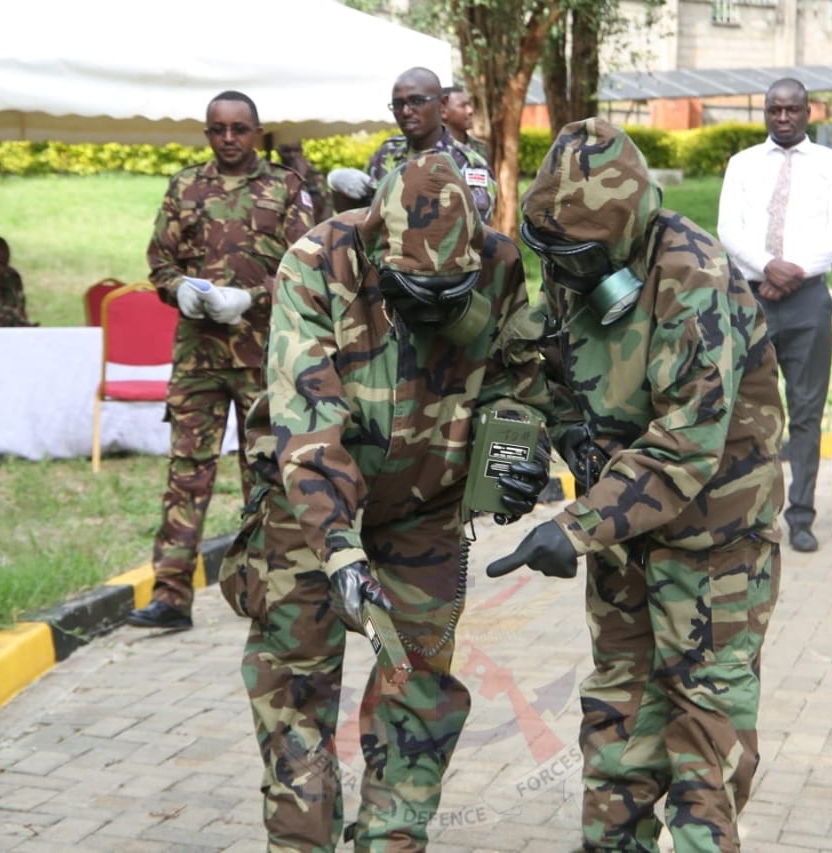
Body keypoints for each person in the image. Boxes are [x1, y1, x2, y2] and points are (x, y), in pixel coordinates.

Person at [222, 154, 552, 850]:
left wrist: (514, 454)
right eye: (414, 291)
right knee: (294, 689)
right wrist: (339, 551)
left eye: (449, 293)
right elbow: (307, 427)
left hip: (425, 503)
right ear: (380, 250)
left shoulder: (497, 262)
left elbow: (515, 376)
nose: (433, 309)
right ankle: (301, 840)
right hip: (306, 506)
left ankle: (393, 839)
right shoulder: (316, 262)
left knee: (419, 686)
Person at [488, 118, 785, 852]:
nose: (559, 270)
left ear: (624, 231)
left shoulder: (694, 275)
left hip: (710, 551)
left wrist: (575, 526)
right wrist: (520, 438)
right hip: (625, 540)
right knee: (618, 729)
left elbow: (685, 446)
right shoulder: (571, 265)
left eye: (576, 255)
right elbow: (537, 367)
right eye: (547, 252)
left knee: (701, 747)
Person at [125, 90, 314, 630]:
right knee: (187, 475)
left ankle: (264, 592)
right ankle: (171, 595)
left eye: (239, 129)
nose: (228, 139)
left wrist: (252, 299)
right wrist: (177, 289)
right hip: (198, 358)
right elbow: (160, 260)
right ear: (206, 133)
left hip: (260, 356)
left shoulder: (285, 187)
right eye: (217, 129)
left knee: (263, 475)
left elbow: (306, 269)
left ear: (257, 132)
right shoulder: (186, 186)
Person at [717, 77, 832, 553]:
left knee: (806, 412)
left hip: (808, 301)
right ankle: (752, 511)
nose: (783, 118)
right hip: (751, 299)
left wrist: (793, 272)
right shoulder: (742, 164)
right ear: (765, 112)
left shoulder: (831, 166)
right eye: (774, 110)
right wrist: (766, 268)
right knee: (748, 409)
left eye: (792, 110)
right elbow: (728, 229)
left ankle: (801, 515)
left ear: (808, 112)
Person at [365, 66, 495, 222]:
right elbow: (364, 216)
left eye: (417, 101)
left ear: (442, 103)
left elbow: (474, 228)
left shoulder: (469, 164)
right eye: (398, 104)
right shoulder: (387, 153)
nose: (406, 111)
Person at [277, 139, 330, 222]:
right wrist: (300, 175)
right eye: (287, 151)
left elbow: (327, 205)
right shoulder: (273, 173)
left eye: (296, 150)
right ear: (279, 152)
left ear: (302, 151)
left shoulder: (314, 173)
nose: (292, 155)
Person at [441, 84, 489, 161]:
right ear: (443, 111)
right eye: (462, 106)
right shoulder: (432, 150)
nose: (470, 110)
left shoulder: (481, 149)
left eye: (469, 104)